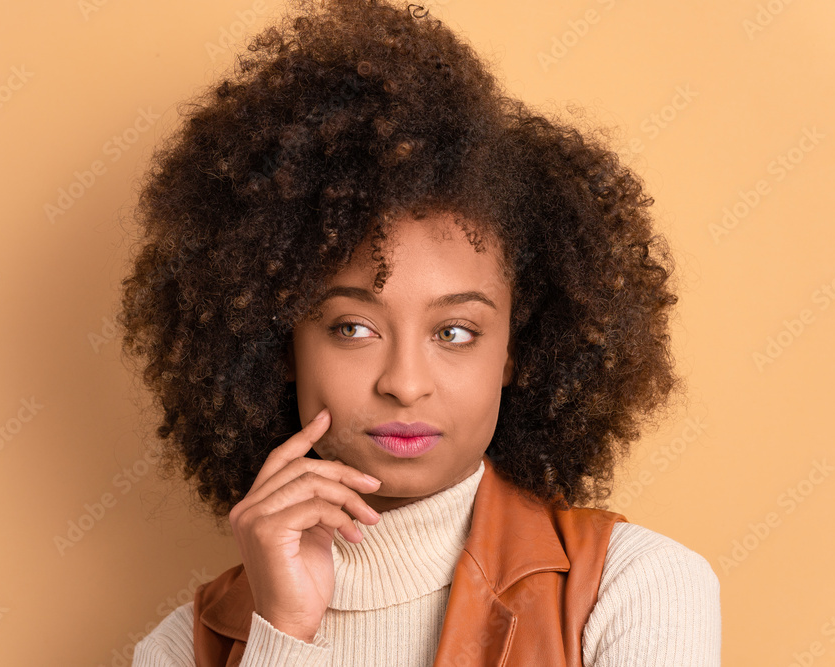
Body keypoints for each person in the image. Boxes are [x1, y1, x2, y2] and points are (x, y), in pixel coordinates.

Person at [117, 0, 722, 664]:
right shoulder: (185, 646)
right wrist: (283, 635)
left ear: (517, 351)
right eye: (351, 326)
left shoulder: (633, 588)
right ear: (278, 342)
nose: (404, 383)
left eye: (456, 332)